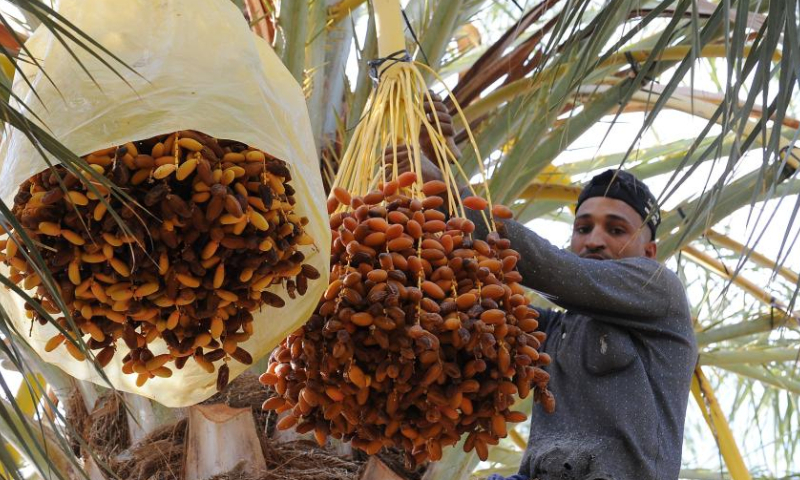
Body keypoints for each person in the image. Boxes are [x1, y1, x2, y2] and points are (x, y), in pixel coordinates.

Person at [387, 98, 697, 480]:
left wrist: (446, 188)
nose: (594, 240)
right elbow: (458, 300)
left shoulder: (659, 290)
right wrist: (434, 162)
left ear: (649, 252)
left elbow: (552, 269)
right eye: (583, 228)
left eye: (615, 229)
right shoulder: (553, 330)